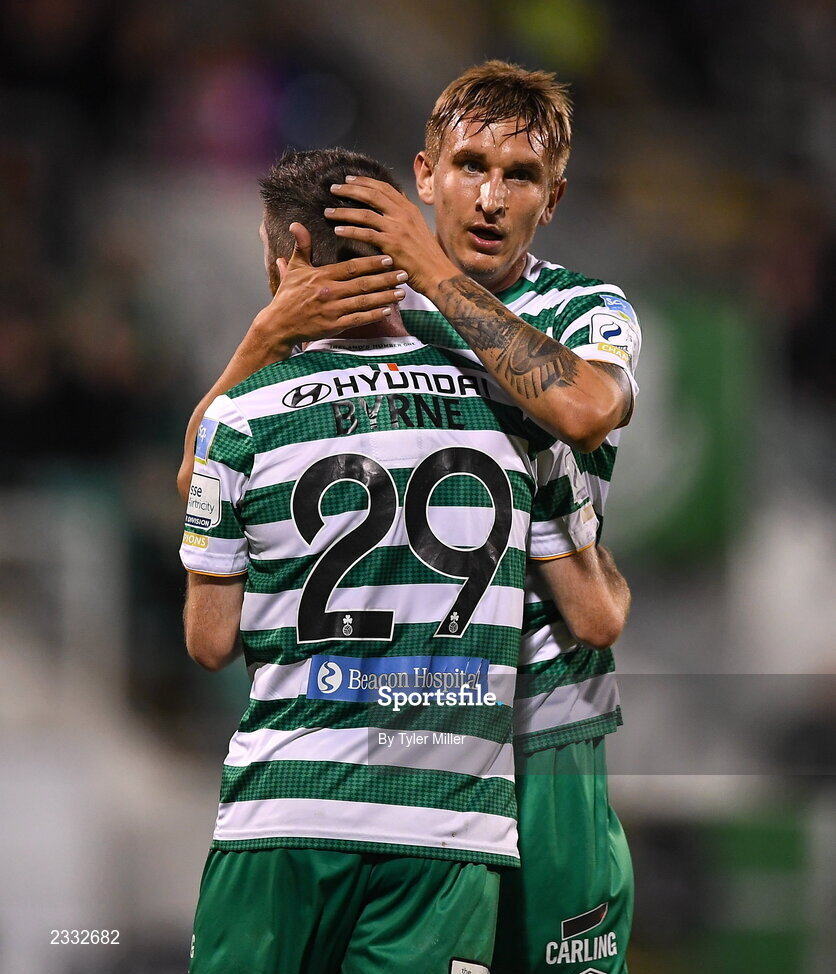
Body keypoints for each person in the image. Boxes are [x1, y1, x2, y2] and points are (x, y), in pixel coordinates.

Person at [177, 61, 640, 974]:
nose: (491, 197)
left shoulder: (586, 309)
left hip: (544, 723)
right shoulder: (371, 304)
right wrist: (259, 341)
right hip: (395, 739)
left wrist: (430, 269)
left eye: (521, 177)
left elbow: (582, 408)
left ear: (554, 199)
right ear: (423, 174)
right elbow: (207, 480)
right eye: (470, 165)